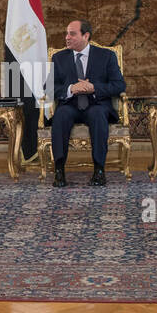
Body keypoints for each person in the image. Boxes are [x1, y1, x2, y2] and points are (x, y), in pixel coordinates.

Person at [49, 19, 125, 187]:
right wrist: (71, 89)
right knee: (61, 115)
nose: (67, 37)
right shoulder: (59, 58)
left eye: (72, 34)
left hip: (96, 104)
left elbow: (119, 85)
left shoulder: (106, 56)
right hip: (70, 105)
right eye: (67, 33)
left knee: (98, 114)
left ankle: (99, 170)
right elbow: (48, 88)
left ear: (86, 36)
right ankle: (59, 170)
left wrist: (94, 88)